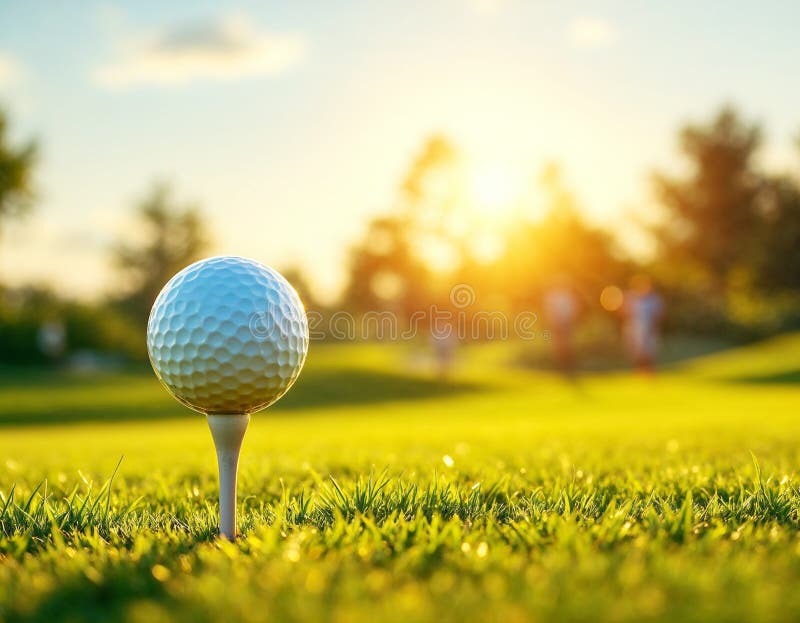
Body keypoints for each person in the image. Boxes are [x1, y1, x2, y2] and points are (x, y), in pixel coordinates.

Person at [622, 275, 664, 373]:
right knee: (636, 352)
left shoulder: (654, 299)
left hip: (649, 329)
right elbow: (625, 314)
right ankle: (639, 373)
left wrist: (653, 329)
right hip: (633, 330)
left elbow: (659, 315)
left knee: (649, 351)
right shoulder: (631, 298)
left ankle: (649, 373)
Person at [543, 275, 579, 378]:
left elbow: (573, 310)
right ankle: (560, 368)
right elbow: (549, 311)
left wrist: (569, 321)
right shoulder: (552, 296)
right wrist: (555, 322)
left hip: (567, 324)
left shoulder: (569, 295)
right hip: (556, 325)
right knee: (558, 347)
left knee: (568, 346)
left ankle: (569, 368)